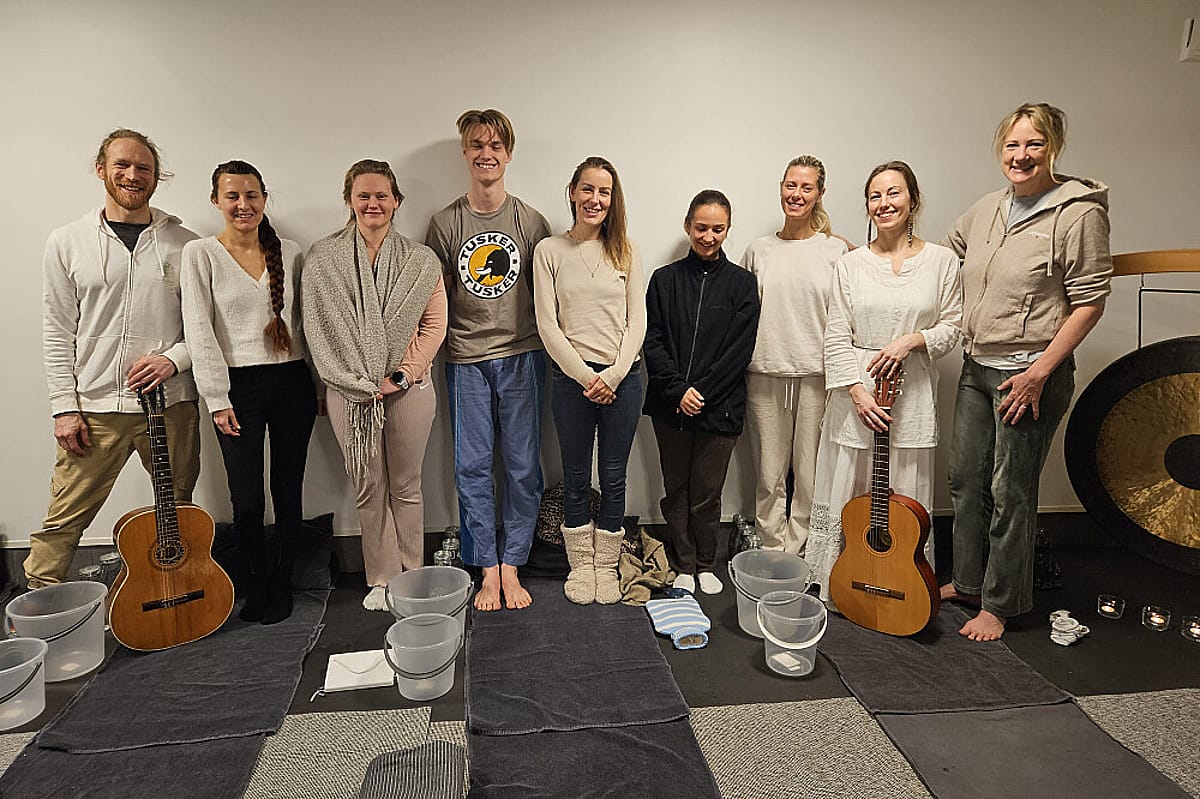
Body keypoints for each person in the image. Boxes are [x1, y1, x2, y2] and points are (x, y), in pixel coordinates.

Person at [943, 103, 1111, 641]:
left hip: (1029, 374)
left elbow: (1089, 303)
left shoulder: (1077, 212)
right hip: (977, 366)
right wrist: (875, 256)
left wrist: (1040, 372)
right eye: (1012, 145)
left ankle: (1000, 603)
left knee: (1010, 488)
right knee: (966, 482)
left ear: (1053, 148)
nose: (1021, 156)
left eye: (1033, 145)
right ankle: (968, 582)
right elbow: (946, 259)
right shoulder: (989, 208)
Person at [28, 129, 200, 588]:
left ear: (157, 177)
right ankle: (37, 614)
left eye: (144, 168)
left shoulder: (186, 243)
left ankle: (178, 598)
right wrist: (65, 406)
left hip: (173, 405)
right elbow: (56, 329)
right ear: (101, 169)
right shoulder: (67, 241)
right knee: (64, 519)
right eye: (122, 165)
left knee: (178, 509)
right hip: (97, 407)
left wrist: (175, 360)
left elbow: (205, 328)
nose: (132, 175)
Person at [807, 161, 962, 602]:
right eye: (875, 196)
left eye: (893, 193)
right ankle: (838, 582)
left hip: (910, 394)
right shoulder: (850, 263)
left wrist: (914, 340)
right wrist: (857, 392)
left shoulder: (941, 261)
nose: (884, 204)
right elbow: (835, 334)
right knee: (848, 485)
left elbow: (954, 324)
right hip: (855, 393)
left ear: (912, 200)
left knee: (904, 490)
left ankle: (900, 582)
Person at [304, 160, 447, 611]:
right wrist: (349, 380)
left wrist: (402, 373)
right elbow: (317, 329)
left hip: (408, 388)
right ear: (350, 199)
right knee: (368, 487)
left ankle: (413, 573)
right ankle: (382, 578)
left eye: (382, 195)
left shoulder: (421, 261)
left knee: (407, 485)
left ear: (396, 201)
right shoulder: (323, 259)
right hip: (348, 391)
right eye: (364, 195)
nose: (373, 203)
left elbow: (434, 324)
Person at [425, 109, 551, 611]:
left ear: (508, 154)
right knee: (472, 466)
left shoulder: (530, 221)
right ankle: (486, 567)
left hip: (523, 355)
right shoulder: (445, 222)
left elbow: (547, 295)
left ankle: (513, 562)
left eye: (495, 145)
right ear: (465, 152)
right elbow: (438, 298)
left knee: (523, 467)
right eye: (477, 144)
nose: (486, 153)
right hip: (464, 360)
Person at [181, 160, 317, 624]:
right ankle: (255, 584)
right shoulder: (200, 254)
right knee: (247, 498)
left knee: (288, 489)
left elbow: (305, 327)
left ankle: (283, 584)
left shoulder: (291, 251)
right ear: (216, 200)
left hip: (291, 381)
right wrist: (216, 399)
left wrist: (317, 387)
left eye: (252, 195)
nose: (243, 205)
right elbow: (199, 331)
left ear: (264, 198)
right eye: (233, 196)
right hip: (237, 387)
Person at [533, 156, 646, 605]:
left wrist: (614, 375)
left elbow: (637, 320)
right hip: (570, 380)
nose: (595, 199)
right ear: (573, 192)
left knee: (614, 476)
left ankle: (605, 566)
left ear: (612, 199)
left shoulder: (627, 249)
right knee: (576, 475)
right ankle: (581, 566)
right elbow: (547, 324)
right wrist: (585, 376)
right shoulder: (549, 251)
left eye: (604, 192)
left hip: (624, 380)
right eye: (588, 189)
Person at [644, 190, 760, 595]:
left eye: (718, 229)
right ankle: (683, 562)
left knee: (707, 492)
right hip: (669, 405)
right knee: (676, 487)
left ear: (727, 229)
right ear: (687, 226)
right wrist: (678, 390)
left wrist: (702, 392)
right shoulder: (663, 280)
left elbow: (739, 350)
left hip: (720, 408)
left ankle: (707, 562)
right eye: (701, 228)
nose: (708, 236)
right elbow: (652, 341)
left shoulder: (743, 285)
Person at [741, 155, 849, 555]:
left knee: (809, 475)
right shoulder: (758, 251)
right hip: (765, 374)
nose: (796, 194)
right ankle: (771, 548)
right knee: (769, 474)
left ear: (820, 194)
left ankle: (801, 549)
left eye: (806, 187)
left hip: (817, 377)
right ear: (781, 189)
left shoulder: (836, 252)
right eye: (790, 185)